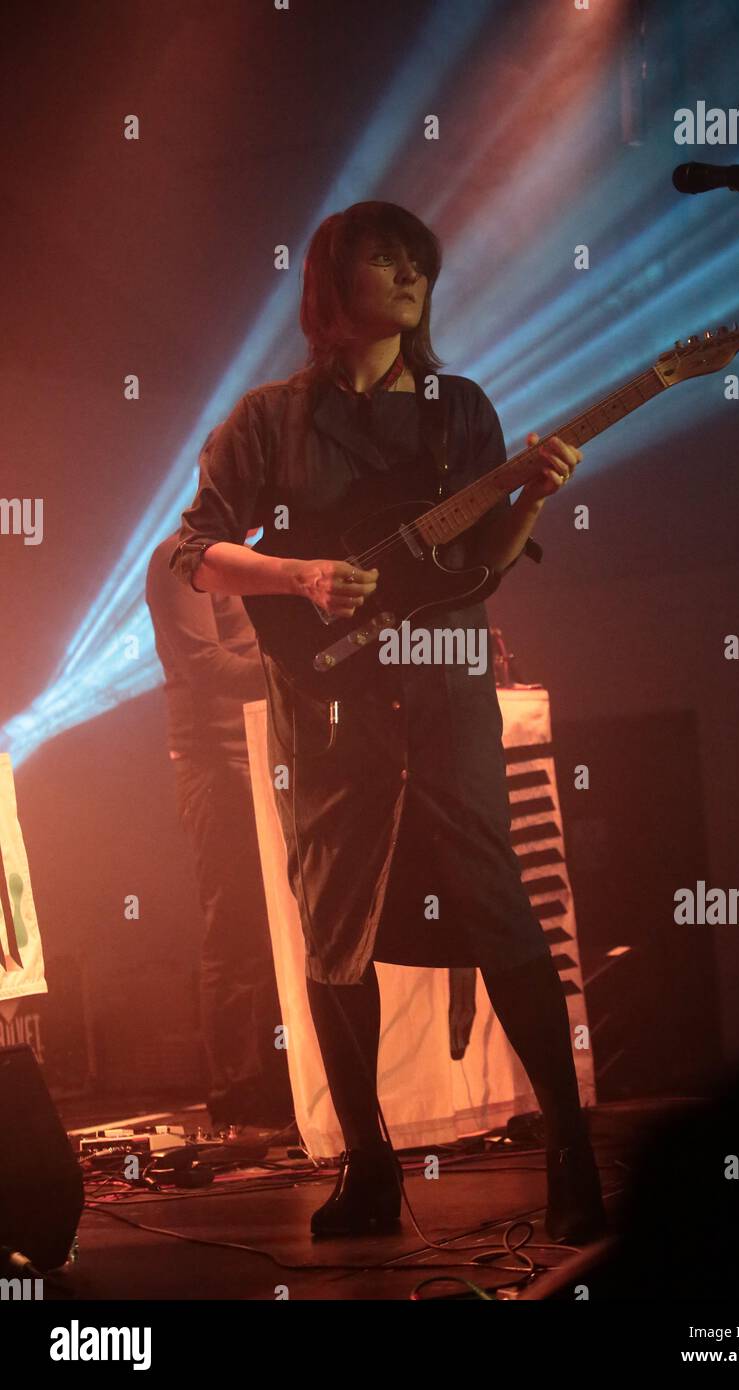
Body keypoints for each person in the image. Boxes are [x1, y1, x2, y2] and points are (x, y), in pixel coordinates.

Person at [169, 200, 606, 1242]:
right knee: (337, 937)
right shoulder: (266, 419)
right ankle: (369, 1167)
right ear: (330, 283)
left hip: (447, 694)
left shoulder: (462, 412)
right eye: (384, 257)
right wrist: (299, 576)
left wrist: (534, 498)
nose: (409, 275)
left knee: (502, 914)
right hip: (329, 709)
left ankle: (572, 1156)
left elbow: (483, 565)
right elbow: (195, 549)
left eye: (418, 260)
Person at [146, 496, 295, 1140]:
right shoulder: (175, 559)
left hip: (270, 753)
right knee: (235, 932)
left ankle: (282, 1084)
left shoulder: (254, 553)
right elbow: (201, 665)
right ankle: (237, 1095)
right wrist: (296, 673)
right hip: (216, 764)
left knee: (278, 931)